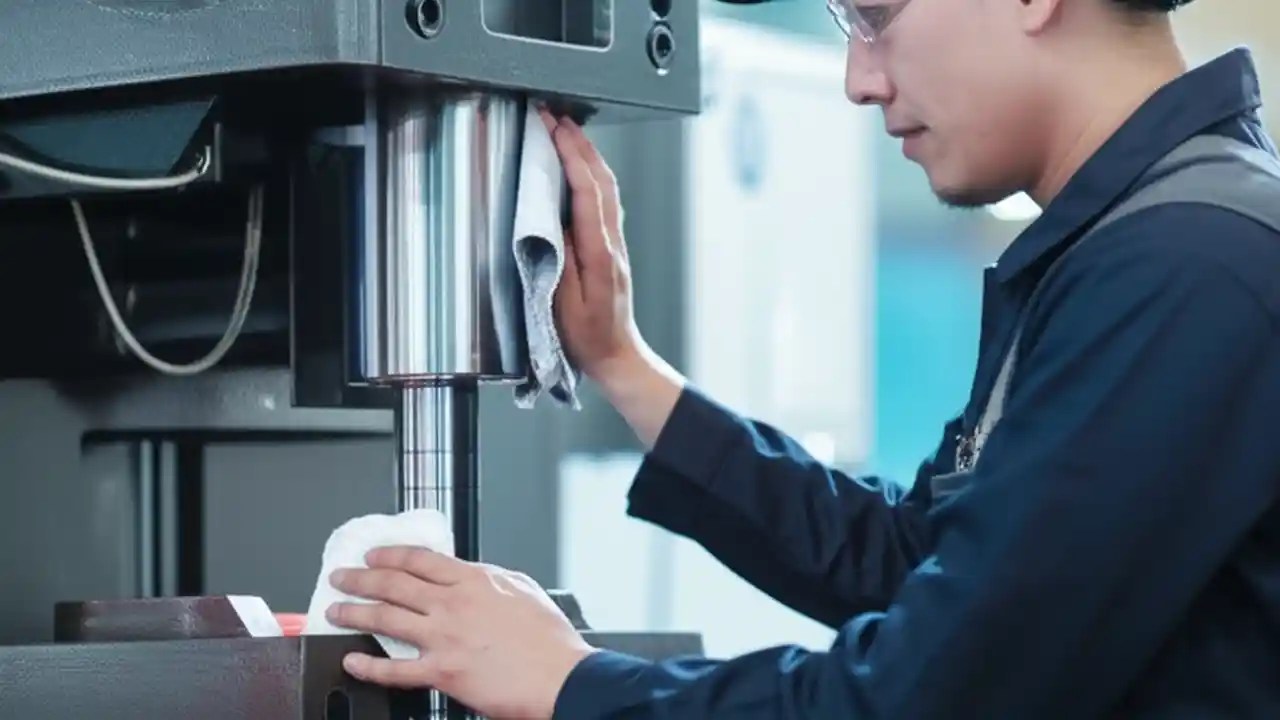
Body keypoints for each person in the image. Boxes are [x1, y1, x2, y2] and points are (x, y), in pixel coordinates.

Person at [322, 0, 1280, 716]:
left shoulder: (1188, 265)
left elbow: (931, 695)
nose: (858, 80)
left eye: (875, 16)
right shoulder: (1150, 242)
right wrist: (624, 365)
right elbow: (919, 567)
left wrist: (573, 684)